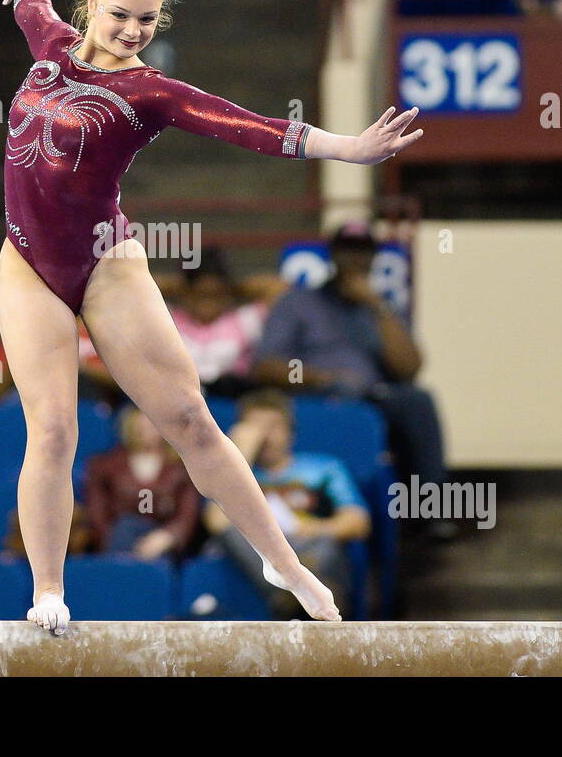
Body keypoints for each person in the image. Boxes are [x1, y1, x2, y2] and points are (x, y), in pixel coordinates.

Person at [0, 0, 425, 633]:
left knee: (191, 417)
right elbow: (26, 3)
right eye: (119, 15)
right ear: (90, 7)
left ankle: (282, 559)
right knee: (52, 430)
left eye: (147, 19)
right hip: (28, 265)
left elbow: (249, 126)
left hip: (107, 261)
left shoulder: (152, 91)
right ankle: (48, 590)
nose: (134, 30)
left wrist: (346, 148)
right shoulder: (49, 46)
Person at [251, 221, 456, 541]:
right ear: (333, 254)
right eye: (348, 252)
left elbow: (410, 368)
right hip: (318, 395)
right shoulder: (298, 302)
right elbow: (265, 366)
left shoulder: (381, 308)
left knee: (419, 399)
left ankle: (428, 511)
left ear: (374, 259)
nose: (355, 261)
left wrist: (376, 307)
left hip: (374, 397)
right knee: (347, 389)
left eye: (363, 253)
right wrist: (321, 377)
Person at [203, 389, 369, 619]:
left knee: (327, 543)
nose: (265, 436)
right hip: (260, 554)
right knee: (230, 534)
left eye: (272, 426)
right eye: (255, 428)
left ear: (290, 431)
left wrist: (316, 529)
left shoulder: (323, 468)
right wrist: (240, 453)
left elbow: (358, 521)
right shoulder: (236, 476)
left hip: (308, 545)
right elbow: (216, 523)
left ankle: (300, 591)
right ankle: (288, 593)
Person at [82, 405, 202, 558]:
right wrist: (108, 537)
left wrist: (168, 536)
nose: (147, 431)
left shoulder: (181, 469)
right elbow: (97, 513)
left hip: (164, 540)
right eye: (141, 426)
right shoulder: (105, 466)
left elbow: (187, 514)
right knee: (126, 528)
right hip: (118, 538)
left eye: (152, 425)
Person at [168, 249, 271, 399]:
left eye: (216, 295)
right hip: (177, 402)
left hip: (231, 403)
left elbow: (280, 289)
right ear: (186, 293)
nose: (208, 303)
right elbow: (132, 290)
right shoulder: (168, 318)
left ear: (227, 293)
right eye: (201, 295)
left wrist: (236, 288)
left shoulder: (245, 320)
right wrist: (178, 285)